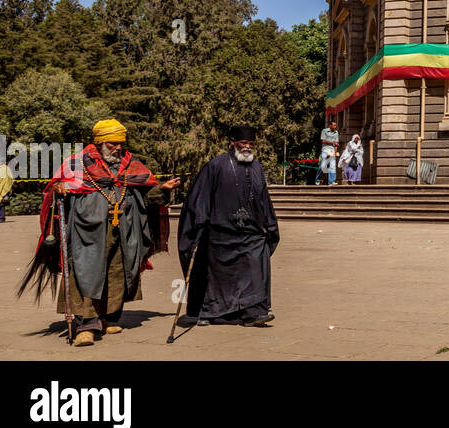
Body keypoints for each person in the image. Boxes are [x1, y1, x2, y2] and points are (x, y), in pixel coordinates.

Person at [17, 119, 179, 347]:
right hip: (87, 231)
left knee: (117, 270)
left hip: (123, 229)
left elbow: (143, 190)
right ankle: (86, 325)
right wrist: (59, 189)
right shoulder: (76, 163)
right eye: (113, 143)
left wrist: (161, 189)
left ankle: (107, 317)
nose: (118, 148)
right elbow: (54, 188)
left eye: (121, 143)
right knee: (86, 272)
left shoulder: (130, 164)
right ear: (99, 141)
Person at [178, 125, 280, 326]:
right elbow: (200, 197)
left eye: (251, 144)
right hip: (220, 230)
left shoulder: (257, 167)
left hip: (251, 231)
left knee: (255, 268)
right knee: (218, 275)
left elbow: (264, 199)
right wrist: (199, 224)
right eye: (243, 143)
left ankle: (254, 312)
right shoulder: (216, 165)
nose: (247, 147)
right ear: (232, 142)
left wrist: (268, 225)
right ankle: (211, 313)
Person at [319, 119, 340, 186]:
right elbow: (323, 141)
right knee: (323, 166)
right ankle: (320, 179)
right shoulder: (324, 131)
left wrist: (335, 152)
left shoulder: (336, 133)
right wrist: (332, 143)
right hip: (325, 150)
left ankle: (332, 181)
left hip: (332, 151)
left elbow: (336, 144)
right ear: (330, 125)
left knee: (333, 166)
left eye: (335, 125)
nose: (335, 126)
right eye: (334, 125)